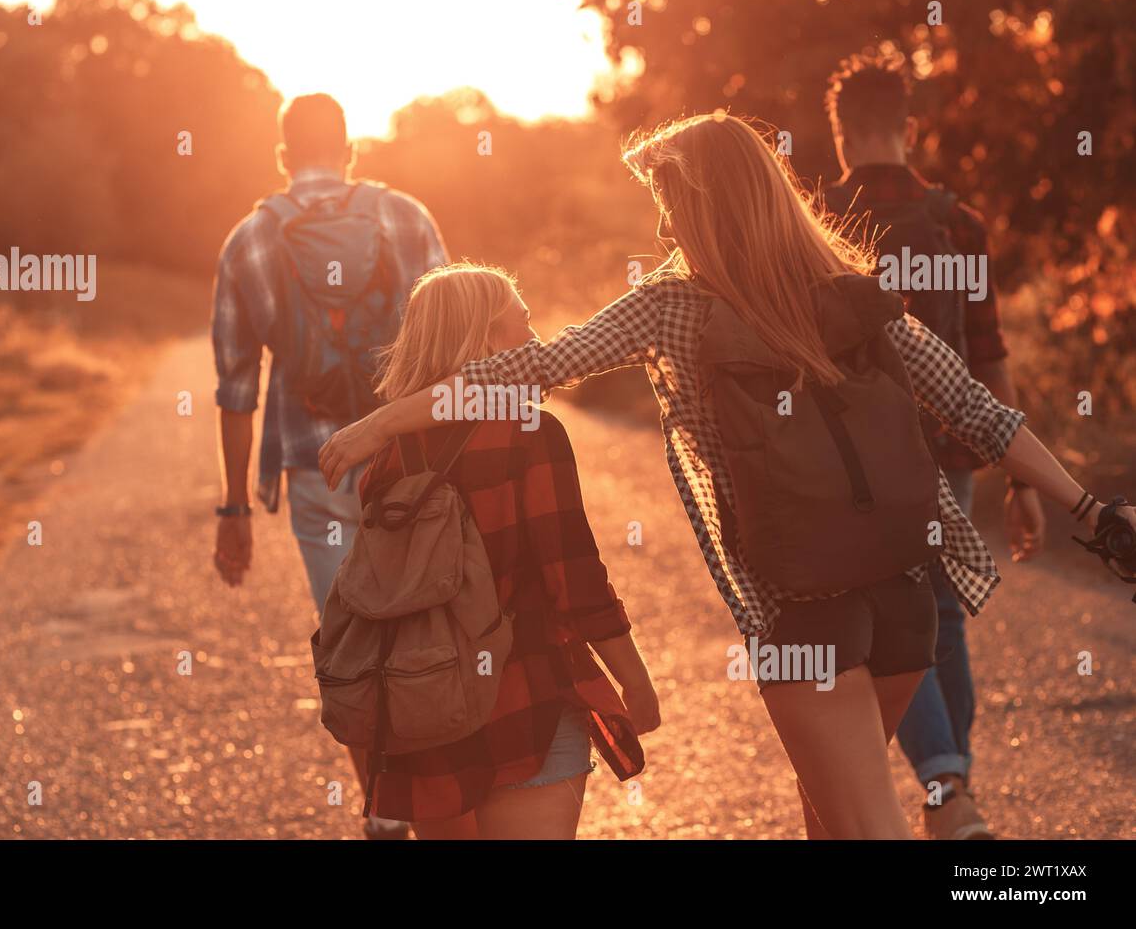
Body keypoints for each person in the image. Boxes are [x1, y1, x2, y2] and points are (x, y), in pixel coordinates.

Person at [318, 112, 1136, 839]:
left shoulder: (675, 305)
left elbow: (535, 365)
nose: (664, 222)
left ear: (699, 205)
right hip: (904, 601)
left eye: (670, 204)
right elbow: (979, 411)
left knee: (863, 823)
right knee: (832, 806)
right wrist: (1093, 510)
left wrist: (383, 419)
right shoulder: (857, 295)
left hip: (798, 614)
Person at [210, 93, 447, 839]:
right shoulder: (406, 218)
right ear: (349, 149)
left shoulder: (249, 239)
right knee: (436, 627)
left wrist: (236, 510)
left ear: (282, 157)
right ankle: (451, 796)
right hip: (415, 463)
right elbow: (460, 346)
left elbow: (237, 388)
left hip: (320, 473)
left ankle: (381, 811)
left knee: (351, 640)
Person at [823, 51, 1043, 839]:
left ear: (841, 132)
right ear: (908, 129)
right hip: (951, 450)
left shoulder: (818, 216)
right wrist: (1022, 481)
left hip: (854, 462)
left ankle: (946, 787)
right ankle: (953, 795)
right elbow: (989, 353)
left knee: (892, 622)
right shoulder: (959, 222)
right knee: (942, 617)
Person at [359, 263, 656, 839]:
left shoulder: (391, 454)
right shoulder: (532, 434)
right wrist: (634, 679)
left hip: (425, 706)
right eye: (523, 322)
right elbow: (574, 577)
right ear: (488, 340)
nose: (537, 339)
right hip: (526, 694)